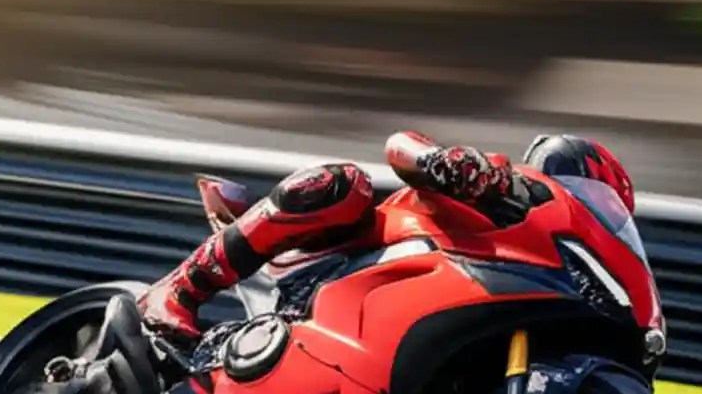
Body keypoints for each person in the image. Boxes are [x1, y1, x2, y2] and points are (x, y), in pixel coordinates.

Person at [137, 132, 634, 340]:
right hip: (352, 255)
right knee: (341, 184)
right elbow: (400, 146)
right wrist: (443, 164)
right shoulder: (498, 183)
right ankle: (178, 290)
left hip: (432, 308)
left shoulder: (562, 258)